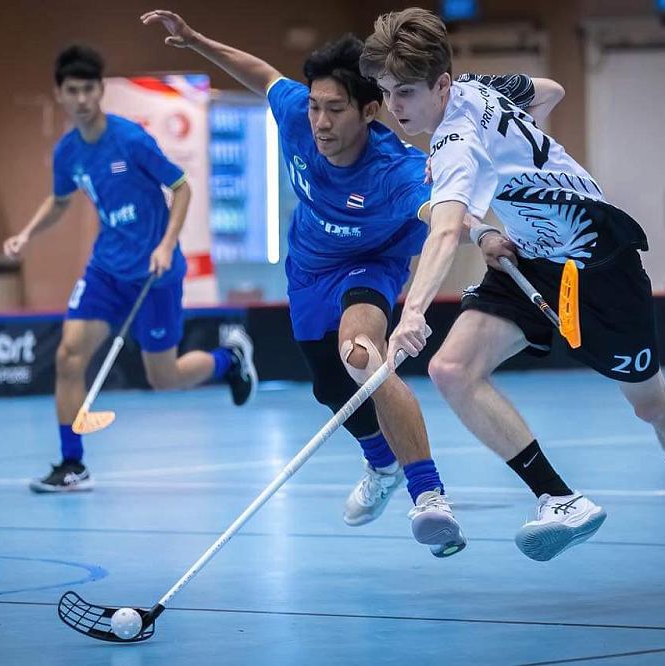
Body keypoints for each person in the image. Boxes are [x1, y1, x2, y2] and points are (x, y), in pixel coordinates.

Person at [361, 7, 665, 588]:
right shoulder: (482, 88)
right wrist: (517, 195)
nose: (395, 107)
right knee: (453, 369)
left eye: (406, 92)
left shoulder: (456, 142)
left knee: (651, 404)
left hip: (596, 262)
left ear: (441, 85)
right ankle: (560, 500)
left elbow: (445, 228)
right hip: (529, 253)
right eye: (385, 93)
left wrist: (410, 314)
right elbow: (549, 92)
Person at [141, 9, 468, 556]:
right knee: (329, 386)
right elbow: (262, 75)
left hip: (372, 266)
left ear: (369, 110)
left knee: (362, 356)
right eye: (316, 107)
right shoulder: (299, 116)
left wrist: (477, 237)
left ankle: (428, 495)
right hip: (309, 269)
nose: (320, 121)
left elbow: (444, 215)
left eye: (335, 110)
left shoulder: (396, 169)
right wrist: (196, 41)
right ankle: (380, 463)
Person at [3, 44, 257, 493]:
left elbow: (180, 188)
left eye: (88, 89)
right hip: (106, 270)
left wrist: (165, 245)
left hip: (155, 274)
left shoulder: (132, 140)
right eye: (71, 91)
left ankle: (228, 359)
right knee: (68, 356)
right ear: (60, 94)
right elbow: (61, 200)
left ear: (100, 92)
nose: (81, 99)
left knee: (165, 378)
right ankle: (72, 464)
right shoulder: (68, 153)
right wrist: (27, 233)